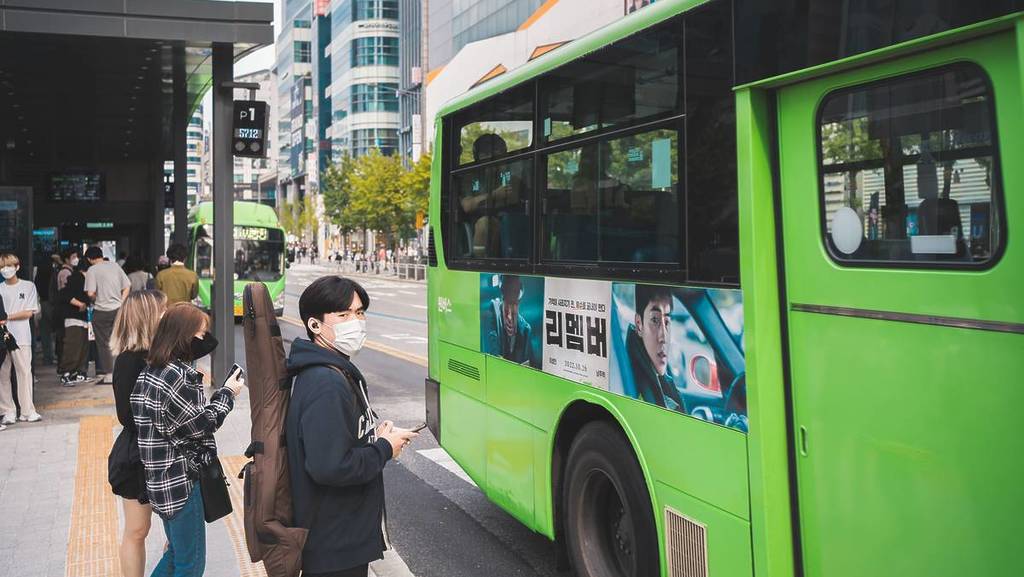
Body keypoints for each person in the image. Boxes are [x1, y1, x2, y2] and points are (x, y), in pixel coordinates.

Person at [287, 276, 417, 577]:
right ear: (315, 325)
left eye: (359, 313)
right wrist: (385, 448)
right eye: (343, 315)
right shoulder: (326, 382)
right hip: (334, 542)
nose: (356, 322)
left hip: (340, 536)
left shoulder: (332, 370)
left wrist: (374, 436)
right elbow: (329, 466)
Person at [131, 303, 243, 577]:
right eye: (201, 333)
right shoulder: (178, 375)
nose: (204, 339)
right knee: (190, 565)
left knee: (175, 556)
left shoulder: (151, 371)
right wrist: (227, 393)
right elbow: (202, 425)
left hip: (159, 481)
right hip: (181, 483)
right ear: (184, 335)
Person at [108, 290, 167, 577]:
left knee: (176, 534)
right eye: (163, 310)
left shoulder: (163, 353)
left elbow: (208, 341)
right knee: (137, 530)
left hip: (163, 453)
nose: (167, 314)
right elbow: (126, 416)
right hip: (138, 456)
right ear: (148, 316)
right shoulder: (129, 361)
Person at [626, 285, 685, 412]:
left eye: (667, 322)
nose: (663, 336)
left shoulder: (660, 381)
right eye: (654, 320)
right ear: (639, 325)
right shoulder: (637, 387)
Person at [0, 253, 41, 424]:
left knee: (24, 373)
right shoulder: (0, 288)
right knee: (3, 375)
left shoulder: (29, 286)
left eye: (9, 266)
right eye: (2, 267)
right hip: (2, 337)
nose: (6, 269)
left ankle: (27, 411)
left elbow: (29, 312)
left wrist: (5, 317)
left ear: (17, 267)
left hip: (22, 336)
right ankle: (8, 411)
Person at [84, 246, 131, 383]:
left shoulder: (92, 270)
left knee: (104, 343)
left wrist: (98, 298)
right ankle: (122, 370)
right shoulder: (115, 266)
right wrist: (121, 302)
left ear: (89, 259)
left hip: (101, 312)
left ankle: (110, 373)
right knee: (120, 340)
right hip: (118, 310)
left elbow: (90, 293)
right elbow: (127, 286)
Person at [481, 275, 535, 367]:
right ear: (503, 294)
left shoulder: (526, 329)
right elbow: (492, 353)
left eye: (514, 304)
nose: (510, 316)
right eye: (508, 303)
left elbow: (528, 363)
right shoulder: (492, 310)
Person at [59, 258, 92, 387]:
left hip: (83, 318)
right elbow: (65, 294)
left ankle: (80, 372)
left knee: (83, 347)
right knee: (73, 346)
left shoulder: (85, 279)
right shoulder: (75, 278)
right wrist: (80, 304)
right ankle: (66, 373)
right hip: (74, 317)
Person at [53, 248, 79, 367]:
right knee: (64, 337)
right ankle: (63, 364)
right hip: (64, 308)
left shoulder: (69, 271)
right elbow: (65, 292)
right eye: (73, 257)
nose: (76, 259)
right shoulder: (65, 273)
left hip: (66, 307)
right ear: (67, 259)